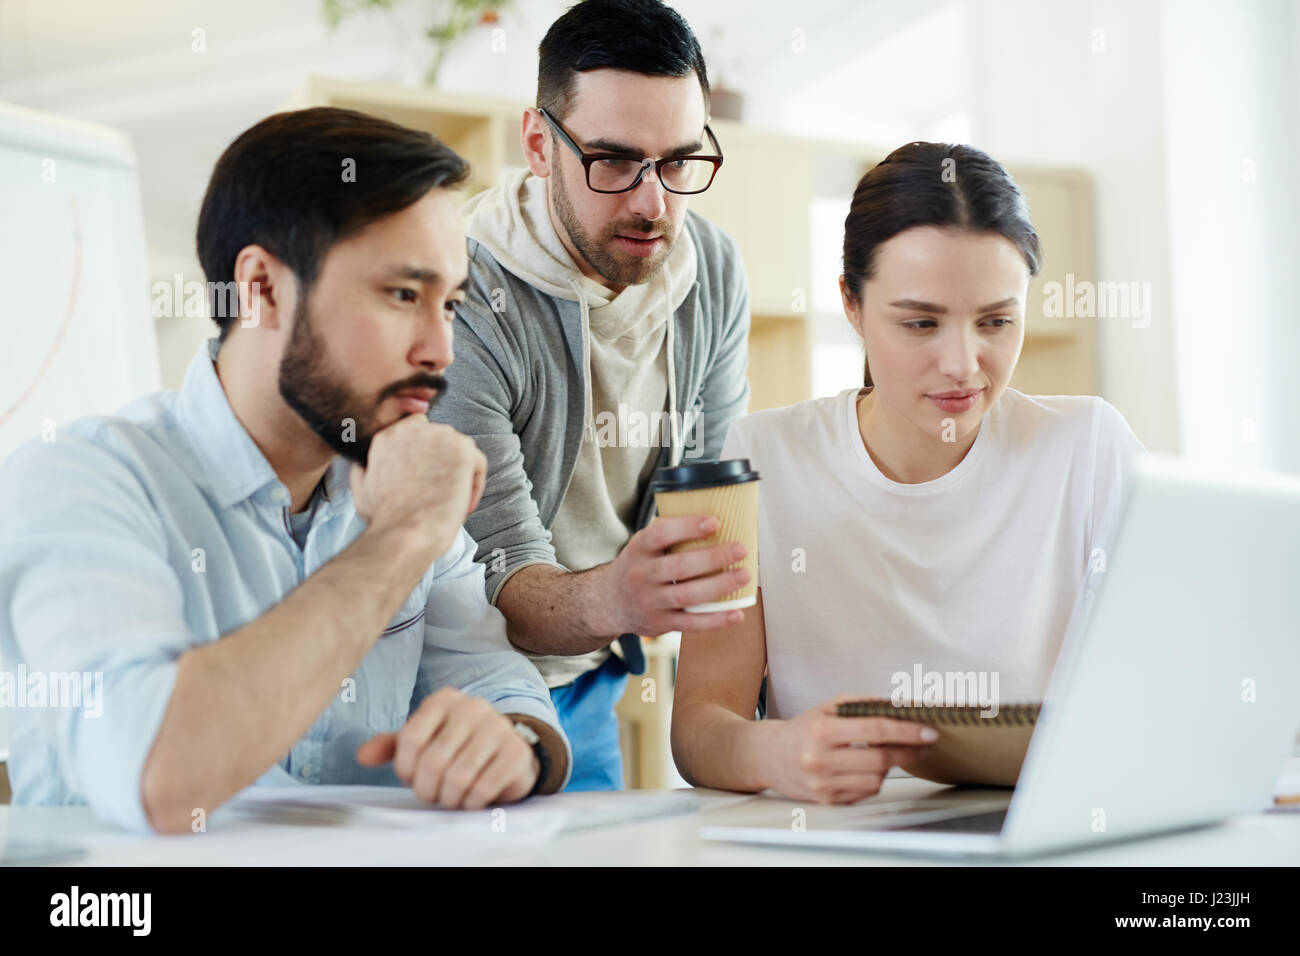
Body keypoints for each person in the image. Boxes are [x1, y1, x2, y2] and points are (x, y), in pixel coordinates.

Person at [0, 107, 570, 834]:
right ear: (262, 289)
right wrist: (398, 541)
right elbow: (159, 777)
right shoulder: (76, 483)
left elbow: (499, 684)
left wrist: (515, 745)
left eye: (450, 304)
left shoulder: (392, 480)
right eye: (403, 295)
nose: (440, 351)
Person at [671, 142, 1147, 804]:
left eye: (996, 321)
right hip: (839, 836)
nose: (962, 363)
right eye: (921, 323)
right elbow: (699, 726)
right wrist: (771, 750)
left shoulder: (1089, 449)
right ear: (852, 304)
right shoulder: (757, 456)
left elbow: (1154, 695)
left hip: (1041, 829)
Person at [431, 0, 751, 790]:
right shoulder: (459, 293)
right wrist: (624, 595)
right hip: (471, 694)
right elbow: (491, 576)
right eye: (612, 161)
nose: (654, 204)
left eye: (679, 161)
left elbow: (715, 498)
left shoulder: (710, 267)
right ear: (539, 144)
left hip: (595, 672)